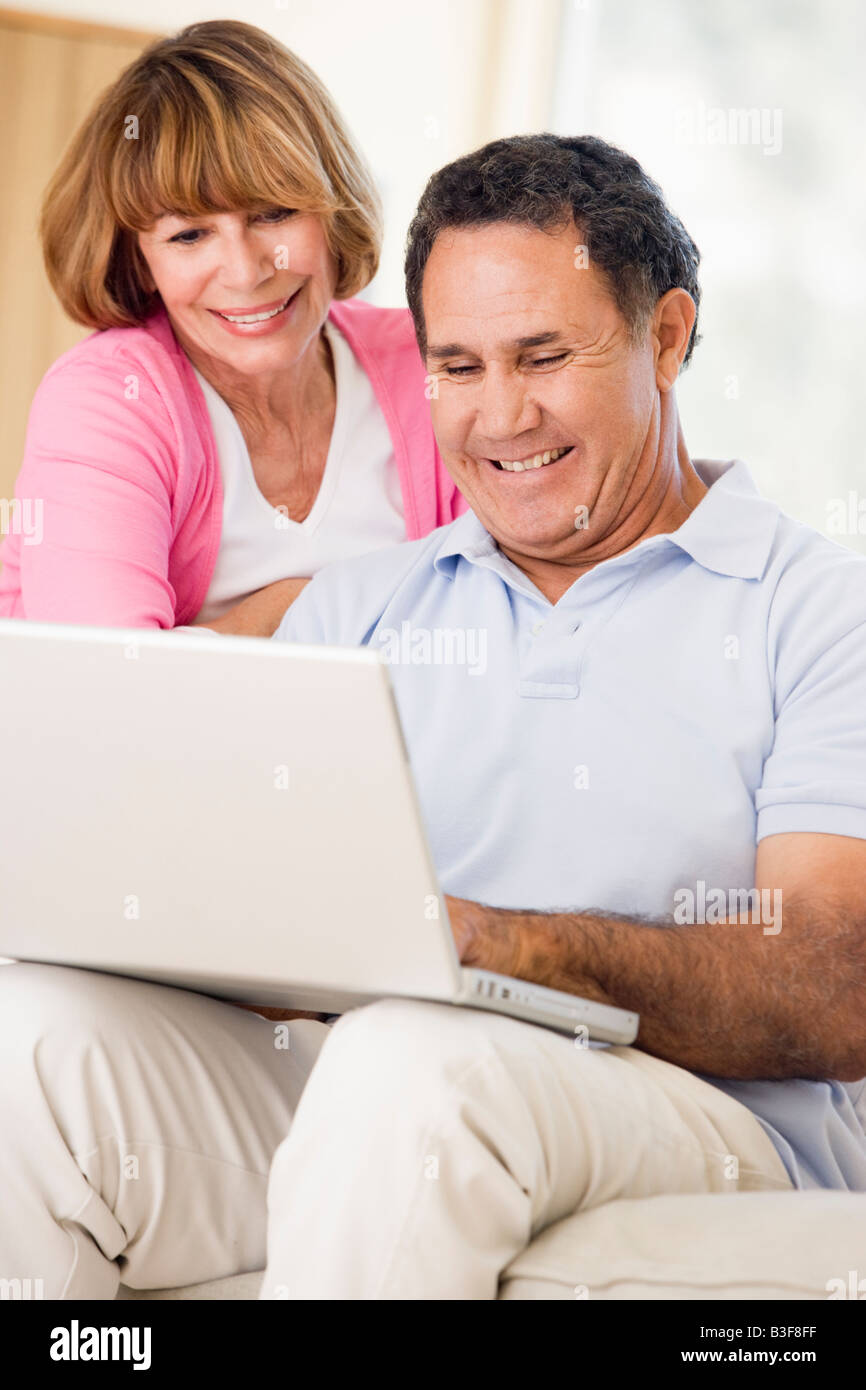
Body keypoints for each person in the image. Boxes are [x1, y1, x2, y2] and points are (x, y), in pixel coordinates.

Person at [2, 134, 864, 1302]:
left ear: (665, 337)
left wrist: (499, 949)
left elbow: (833, 982)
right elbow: (255, 941)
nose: (499, 416)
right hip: (373, 1077)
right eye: (455, 367)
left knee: (408, 1059)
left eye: (543, 355)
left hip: (700, 1114)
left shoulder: (819, 607)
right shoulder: (361, 608)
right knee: (31, 1036)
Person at [0, 20, 465, 634]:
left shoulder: (425, 358)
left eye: (274, 213)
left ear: (331, 208)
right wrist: (301, 606)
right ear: (137, 257)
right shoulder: (107, 399)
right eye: (188, 235)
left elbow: (502, 615)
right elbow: (107, 689)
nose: (246, 273)